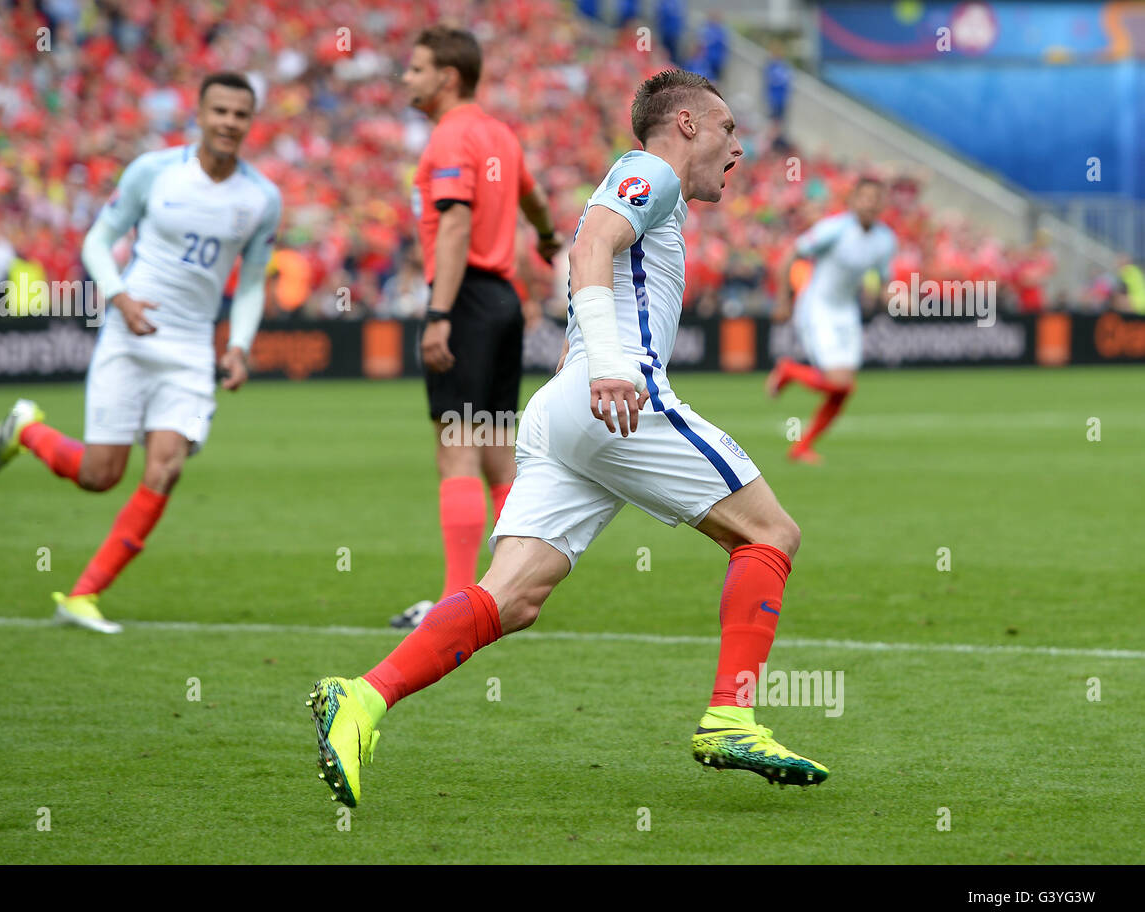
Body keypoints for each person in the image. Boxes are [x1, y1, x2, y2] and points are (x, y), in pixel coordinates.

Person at [308, 69, 828, 808]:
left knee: (512, 597)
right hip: (616, 394)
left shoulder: (647, 186)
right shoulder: (650, 171)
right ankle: (731, 715)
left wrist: (582, 375)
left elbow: (594, 268)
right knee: (771, 533)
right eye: (727, 130)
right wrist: (613, 369)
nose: (737, 147)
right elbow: (588, 250)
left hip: (567, 406)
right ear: (683, 124)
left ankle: (361, 697)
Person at [0, 72, 281, 633]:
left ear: (250, 121)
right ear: (200, 113)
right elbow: (96, 238)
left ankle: (82, 596)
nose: (230, 123)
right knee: (99, 475)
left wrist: (237, 345)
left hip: (190, 349)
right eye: (220, 111)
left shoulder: (261, 198)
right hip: (128, 335)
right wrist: (118, 297)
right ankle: (27, 431)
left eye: (241, 114)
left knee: (165, 467)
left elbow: (255, 281)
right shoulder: (153, 171)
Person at [390, 27, 562, 630]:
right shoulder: (499, 135)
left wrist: (438, 313)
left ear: (447, 77)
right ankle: (511, 589)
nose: (406, 78)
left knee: (455, 452)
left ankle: (455, 600)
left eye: (415, 69)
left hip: (464, 302)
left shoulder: (449, 138)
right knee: (496, 456)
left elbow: (456, 224)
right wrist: (546, 239)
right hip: (504, 302)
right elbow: (534, 199)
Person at [769, 177, 895, 463]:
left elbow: (885, 280)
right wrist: (783, 299)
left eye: (877, 199)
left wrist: (895, 296)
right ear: (853, 201)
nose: (871, 204)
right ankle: (788, 369)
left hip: (846, 312)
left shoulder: (885, 239)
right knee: (838, 382)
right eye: (865, 197)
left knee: (842, 391)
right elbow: (791, 254)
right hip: (817, 308)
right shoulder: (835, 229)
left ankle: (801, 447)